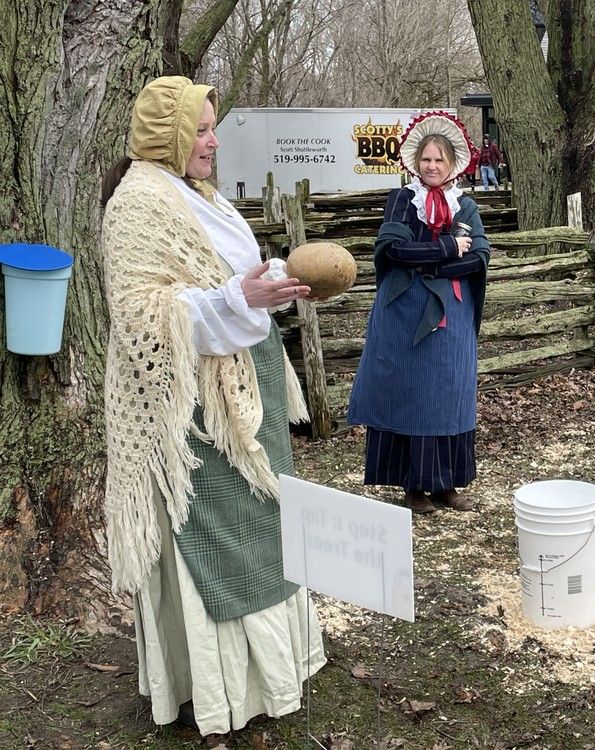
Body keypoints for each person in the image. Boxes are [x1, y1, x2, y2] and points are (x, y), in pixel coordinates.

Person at [100, 77, 325, 736]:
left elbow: (224, 278)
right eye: (200, 130)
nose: (212, 140)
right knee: (218, 540)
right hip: (197, 410)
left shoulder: (200, 194)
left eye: (211, 127)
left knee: (268, 529)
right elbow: (138, 314)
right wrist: (233, 302)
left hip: (247, 390)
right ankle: (222, 694)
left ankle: (277, 674)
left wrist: (264, 286)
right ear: (168, 135)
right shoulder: (138, 202)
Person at [348, 112, 490, 515]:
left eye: (439, 160)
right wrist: (446, 249)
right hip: (405, 313)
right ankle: (413, 488)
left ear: (452, 164)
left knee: (449, 396)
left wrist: (427, 261)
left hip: (452, 318)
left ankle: (446, 484)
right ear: (415, 161)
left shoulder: (465, 206)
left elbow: (479, 256)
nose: (431, 166)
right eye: (425, 159)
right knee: (410, 395)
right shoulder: (402, 201)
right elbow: (392, 250)